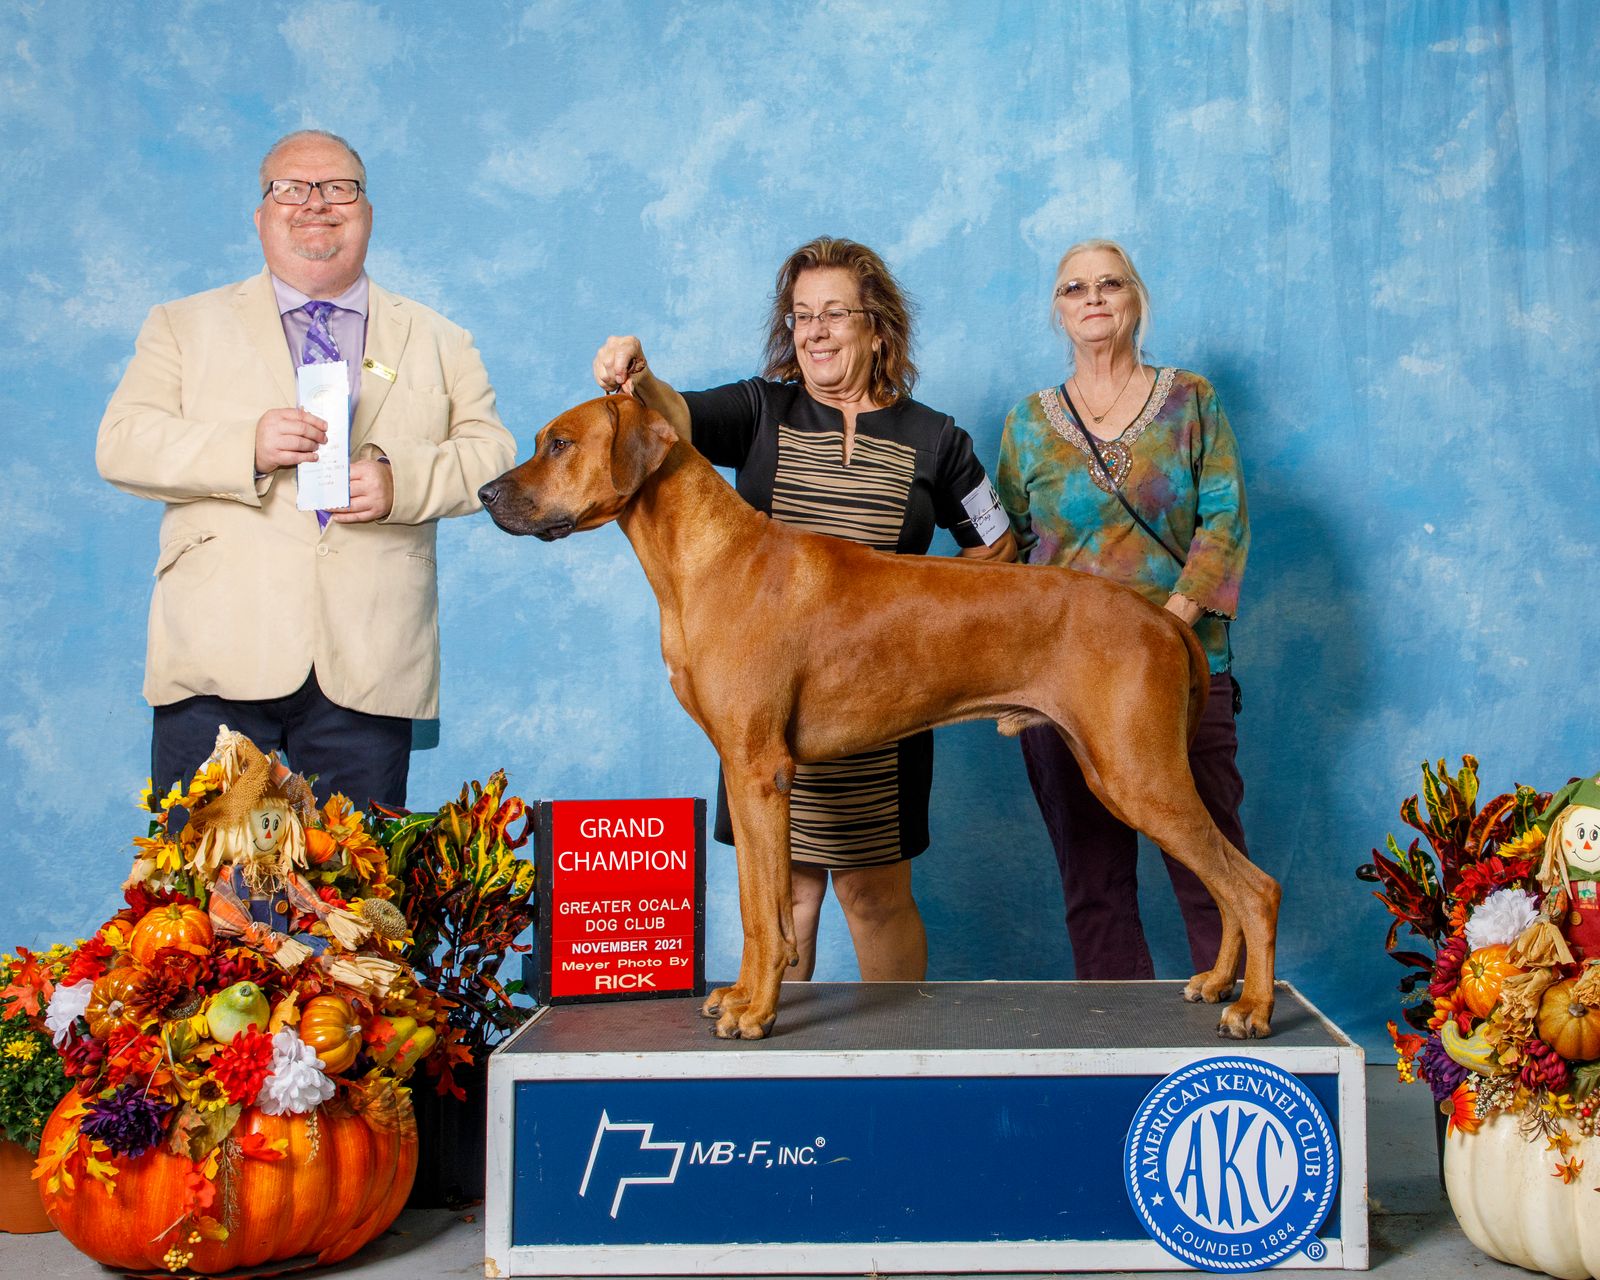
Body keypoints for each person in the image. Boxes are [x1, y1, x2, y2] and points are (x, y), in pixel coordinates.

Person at [593, 237, 1016, 982]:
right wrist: (638, 371)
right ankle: (780, 1057)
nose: (815, 332)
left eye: (835, 315)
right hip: (765, 688)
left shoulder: (937, 438)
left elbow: (995, 543)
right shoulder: (761, 410)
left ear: (876, 326)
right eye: (800, 317)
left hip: (884, 697)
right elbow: (670, 418)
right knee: (787, 893)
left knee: (875, 894)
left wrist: (919, 627)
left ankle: (900, 1070)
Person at [97, 129, 515, 809]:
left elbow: (492, 455)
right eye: (290, 188)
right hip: (215, 656)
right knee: (205, 902)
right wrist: (246, 447)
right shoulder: (181, 325)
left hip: (371, 661)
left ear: (368, 212)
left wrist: (399, 481)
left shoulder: (441, 338)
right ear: (260, 217)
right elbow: (122, 442)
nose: (315, 203)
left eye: (339, 188)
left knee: (355, 904)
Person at [995, 237, 1251, 981]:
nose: (1094, 298)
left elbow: (1225, 522)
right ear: (1058, 311)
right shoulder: (1027, 424)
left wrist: (1160, 638)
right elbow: (1009, 548)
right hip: (1057, 683)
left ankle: (1233, 1016)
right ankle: (1118, 1041)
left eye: (1110, 283)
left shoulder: (1192, 400)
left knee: (1205, 858)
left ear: (1138, 298)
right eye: (1075, 288)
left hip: (1182, 663)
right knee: (1093, 881)